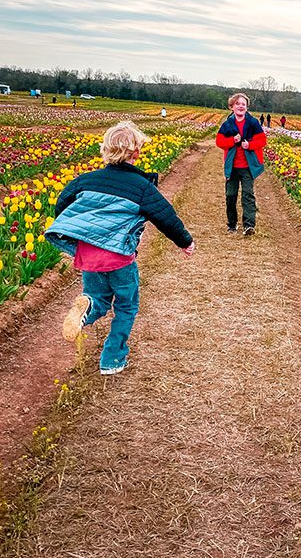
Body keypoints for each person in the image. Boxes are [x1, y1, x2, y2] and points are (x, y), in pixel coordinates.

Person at [46, 121, 195, 375]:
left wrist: (82, 233)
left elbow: (62, 207)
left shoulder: (85, 181)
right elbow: (165, 216)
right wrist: (185, 241)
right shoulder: (141, 187)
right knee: (126, 306)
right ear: (136, 153)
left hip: (89, 256)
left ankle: (87, 310)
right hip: (119, 258)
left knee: (98, 298)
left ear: (104, 150)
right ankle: (112, 359)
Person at [216, 93, 266, 236]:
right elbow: (219, 142)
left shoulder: (253, 123)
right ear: (232, 107)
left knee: (248, 194)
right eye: (237, 104)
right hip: (232, 166)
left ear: (247, 107)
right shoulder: (227, 124)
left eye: (243, 104)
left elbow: (262, 140)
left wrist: (249, 145)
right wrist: (233, 140)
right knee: (230, 195)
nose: (240, 106)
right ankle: (232, 224)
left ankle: (248, 225)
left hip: (247, 166)